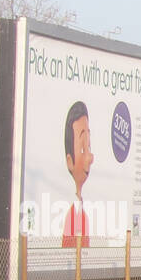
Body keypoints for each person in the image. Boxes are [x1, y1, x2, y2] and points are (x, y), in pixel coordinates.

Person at [62, 100, 92, 249]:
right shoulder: (72, 214)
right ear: (69, 161)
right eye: (83, 149)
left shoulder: (82, 212)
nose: (90, 157)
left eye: (89, 147)